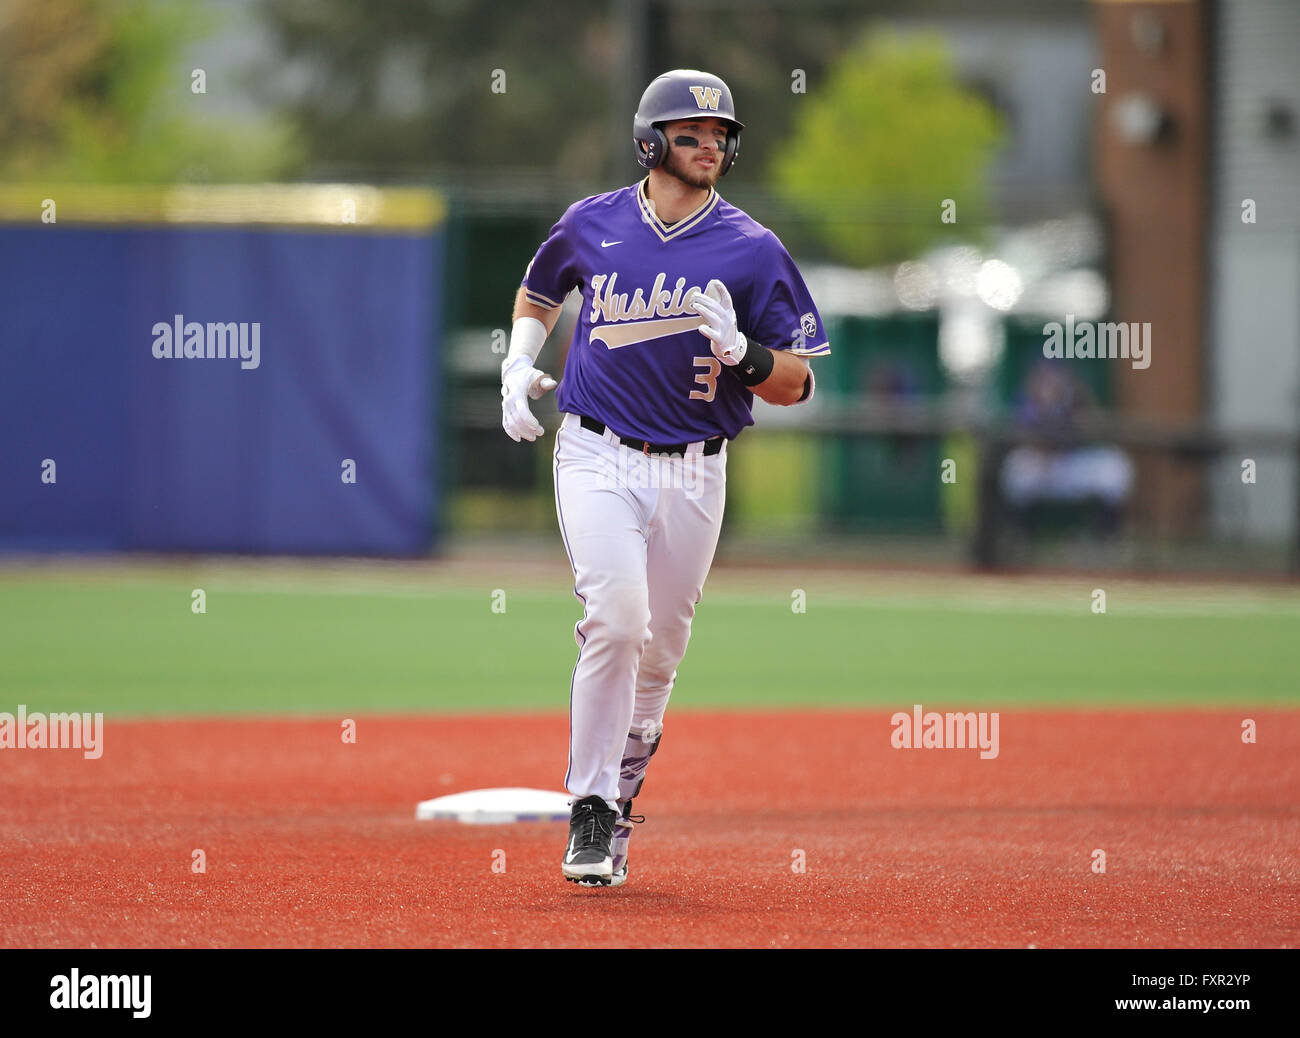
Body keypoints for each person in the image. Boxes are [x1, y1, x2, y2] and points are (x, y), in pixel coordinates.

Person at [500, 69, 830, 887]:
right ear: (651, 142)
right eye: (692, 133)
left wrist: (743, 354)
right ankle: (591, 808)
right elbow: (540, 290)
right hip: (596, 451)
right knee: (617, 618)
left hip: (695, 470)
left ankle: (624, 784)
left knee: (659, 657)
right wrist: (516, 361)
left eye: (720, 134)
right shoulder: (594, 222)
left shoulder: (752, 248)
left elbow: (800, 380)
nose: (711, 144)